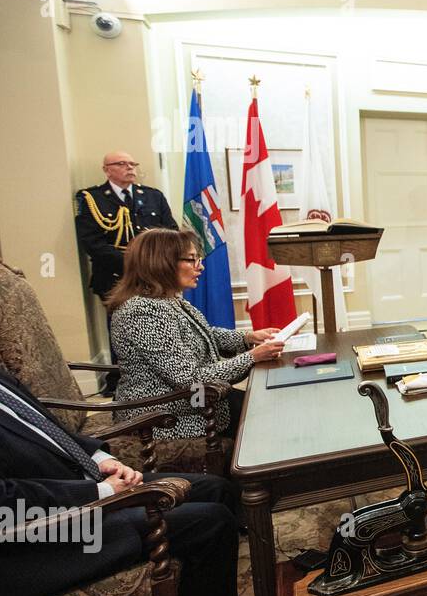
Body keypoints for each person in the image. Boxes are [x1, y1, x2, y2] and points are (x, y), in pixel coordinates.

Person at [0, 366, 260, 596]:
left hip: (81, 486)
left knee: (214, 488)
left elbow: (51, 431)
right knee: (209, 522)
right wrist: (101, 492)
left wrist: (97, 459)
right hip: (45, 532)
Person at [108, 229, 284, 440]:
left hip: (193, 401)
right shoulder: (142, 311)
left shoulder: (168, 299)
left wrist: (248, 338)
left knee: (267, 404)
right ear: (162, 263)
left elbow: (205, 334)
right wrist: (252, 357)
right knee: (268, 419)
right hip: (164, 416)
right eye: (191, 260)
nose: (200, 266)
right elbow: (189, 379)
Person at [75, 152, 179, 301]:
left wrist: (154, 263)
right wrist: (134, 264)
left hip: (155, 275)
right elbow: (92, 242)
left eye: (132, 164)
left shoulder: (153, 196)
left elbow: (171, 233)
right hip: (115, 277)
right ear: (107, 170)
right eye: (122, 164)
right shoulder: (92, 198)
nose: (129, 168)